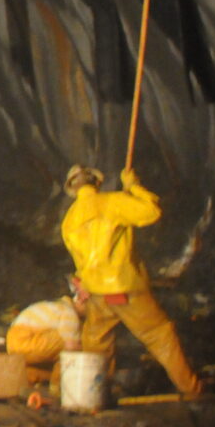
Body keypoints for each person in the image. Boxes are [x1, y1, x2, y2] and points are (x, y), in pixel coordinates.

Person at [59, 164, 201, 397]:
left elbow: (79, 261)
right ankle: (192, 389)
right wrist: (133, 186)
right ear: (97, 182)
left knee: (96, 345)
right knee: (159, 335)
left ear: (73, 188)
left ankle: (91, 396)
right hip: (125, 288)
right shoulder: (113, 202)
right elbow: (152, 212)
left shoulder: (70, 219)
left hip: (97, 293)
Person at [6, 283, 87, 386]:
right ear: (81, 301)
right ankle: (58, 384)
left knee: (56, 348)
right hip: (29, 340)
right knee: (71, 346)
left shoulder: (56, 306)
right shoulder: (69, 312)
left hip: (12, 343)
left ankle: (32, 376)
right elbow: (70, 346)